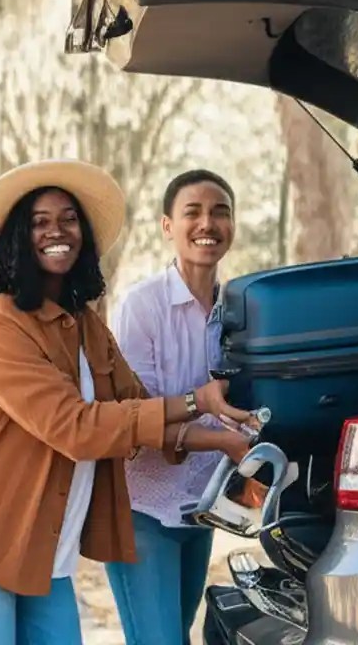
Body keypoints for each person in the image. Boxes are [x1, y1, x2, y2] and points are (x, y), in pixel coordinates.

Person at [0, 159, 257, 645]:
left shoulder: (87, 326)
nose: (58, 231)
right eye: (40, 222)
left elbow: (140, 418)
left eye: (69, 219)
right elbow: (75, 427)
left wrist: (223, 439)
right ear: (16, 237)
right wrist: (194, 400)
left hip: (42, 553)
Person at [105, 169, 261, 645]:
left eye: (220, 212)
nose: (207, 223)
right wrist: (227, 442)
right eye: (192, 212)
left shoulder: (241, 309)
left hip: (201, 507)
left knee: (178, 634)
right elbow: (140, 418)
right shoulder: (142, 307)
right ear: (167, 226)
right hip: (142, 508)